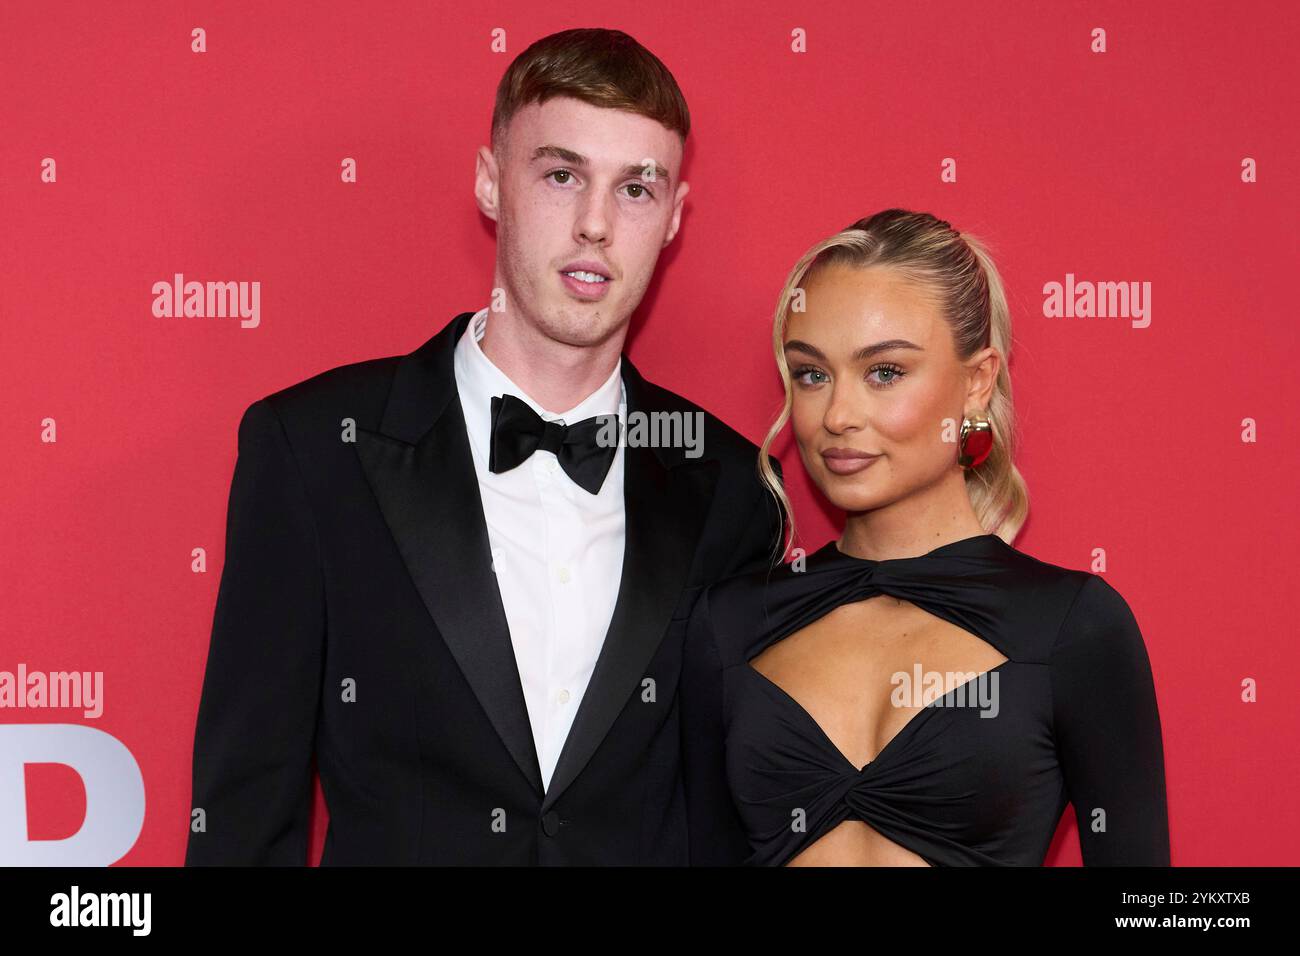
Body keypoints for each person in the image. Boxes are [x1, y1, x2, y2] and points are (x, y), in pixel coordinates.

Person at [185, 28, 782, 866]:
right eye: (562, 174)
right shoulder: (315, 450)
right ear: (491, 182)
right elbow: (246, 810)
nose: (596, 225)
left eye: (637, 189)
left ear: (675, 218)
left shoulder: (732, 487)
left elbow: (724, 816)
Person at [681, 209, 1170, 866]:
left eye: (884, 372)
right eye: (811, 373)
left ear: (977, 382)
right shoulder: (727, 623)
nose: (838, 416)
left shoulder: (1072, 627)